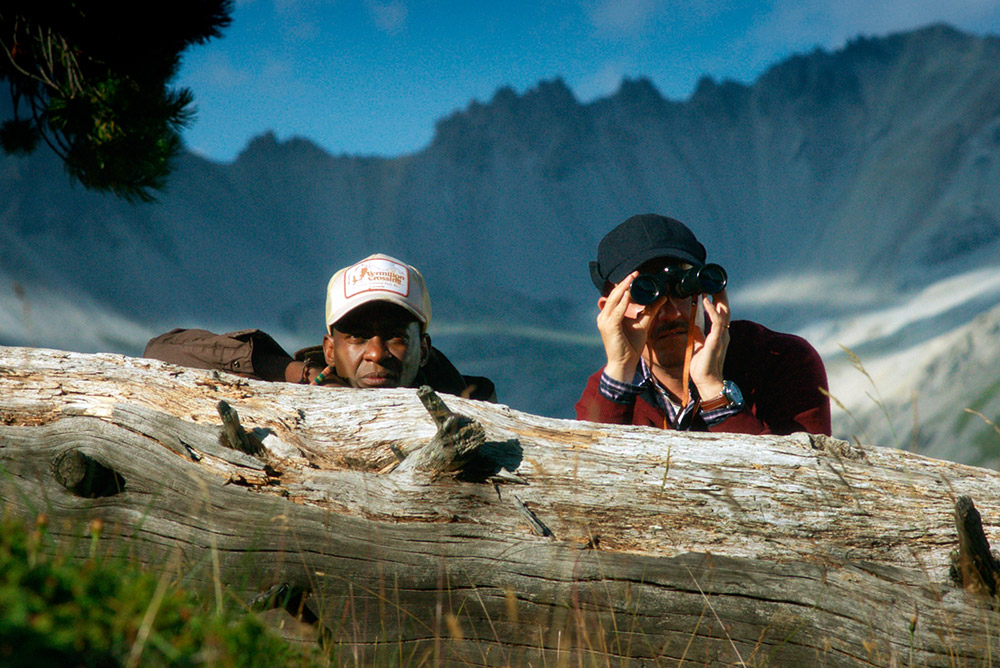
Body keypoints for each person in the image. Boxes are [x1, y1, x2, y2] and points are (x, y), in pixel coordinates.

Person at [575, 213, 830, 435]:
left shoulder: (779, 361)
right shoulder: (605, 393)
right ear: (609, 311)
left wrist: (714, 393)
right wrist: (620, 372)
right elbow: (588, 472)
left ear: (704, 290)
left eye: (681, 289)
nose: (670, 313)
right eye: (644, 294)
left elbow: (800, 474)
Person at [144, 254, 496, 401]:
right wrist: (301, 374)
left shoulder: (471, 404)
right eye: (357, 336)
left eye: (396, 337)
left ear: (425, 350)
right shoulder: (304, 388)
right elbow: (160, 352)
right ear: (330, 349)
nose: (376, 353)